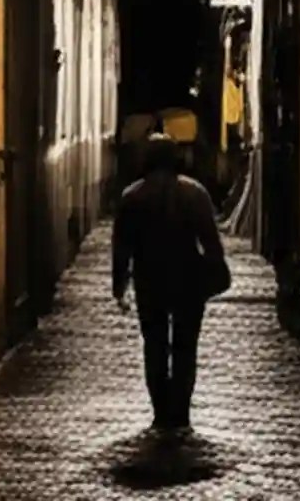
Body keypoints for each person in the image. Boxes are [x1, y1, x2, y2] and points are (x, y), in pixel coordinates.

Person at [112, 133, 225, 432]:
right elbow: (210, 242)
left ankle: (161, 411)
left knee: (155, 346)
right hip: (188, 280)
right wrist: (215, 271)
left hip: (150, 281)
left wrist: (119, 285)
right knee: (186, 348)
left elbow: (121, 247)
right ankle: (181, 411)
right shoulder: (196, 193)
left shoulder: (132, 196)